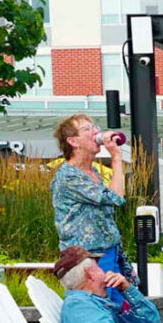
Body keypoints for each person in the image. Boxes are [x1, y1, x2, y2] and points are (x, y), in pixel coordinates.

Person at [49, 113, 133, 301]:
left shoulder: (92, 171)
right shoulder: (69, 176)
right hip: (88, 262)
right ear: (73, 141)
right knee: (102, 309)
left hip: (108, 253)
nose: (96, 131)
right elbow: (116, 198)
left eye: (94, 127)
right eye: (87, 129)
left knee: (121, 308)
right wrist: (116, 158)